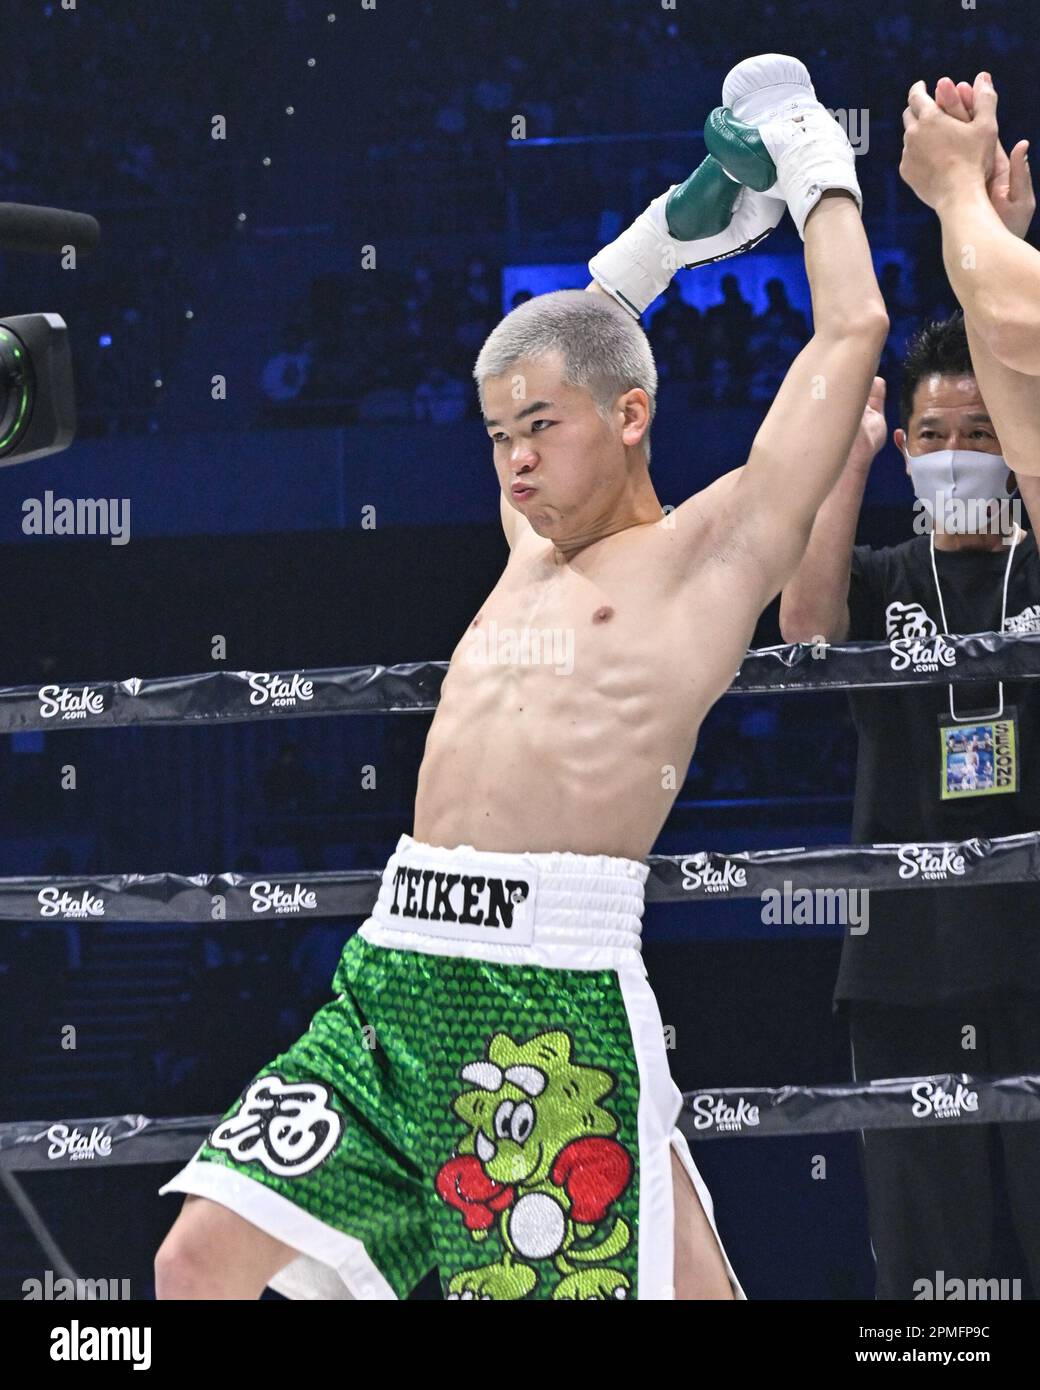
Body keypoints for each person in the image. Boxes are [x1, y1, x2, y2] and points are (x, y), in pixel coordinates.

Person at [154, 54, 887, 1302]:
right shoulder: (523, 544)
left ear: (632, 417)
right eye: (497, 435)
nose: (512, 460)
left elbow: (850, 329)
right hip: (388, 978)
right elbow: (578, 323)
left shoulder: (709, 553)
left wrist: (807, 154)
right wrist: (686, 219)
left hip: (543, 992)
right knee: (199, 1262)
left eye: (539, 428)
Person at [781, 311, 1040, 1295]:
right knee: (926, 1276)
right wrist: (847, 456)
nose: (953, 456)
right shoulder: (885, 576)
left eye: (980, 433)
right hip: (903, 968)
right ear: (902, 450)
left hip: (1031, 954)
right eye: (930, 436)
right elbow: (803, 626)